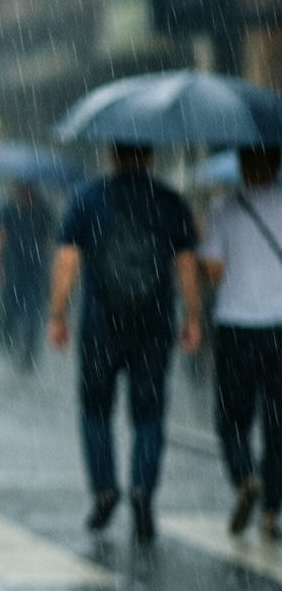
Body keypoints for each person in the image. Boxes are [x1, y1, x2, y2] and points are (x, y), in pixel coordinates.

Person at [48, 142, 202, 543]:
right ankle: (142, 489)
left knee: (96, 410)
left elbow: (67, 260)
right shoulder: (169, 201)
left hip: (101, 325)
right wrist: (192, 316)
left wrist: (57, 314)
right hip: (154, 325)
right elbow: (185, 264)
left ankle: (104, 488)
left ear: (111, 155)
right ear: (150, 156)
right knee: (148, 414)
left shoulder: (88, 198)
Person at [198, 145, 282, 540]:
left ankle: (245, 475)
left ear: (243, 166)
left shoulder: (223, 210)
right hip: (280, 327)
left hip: (236, 326)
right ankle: (270, 512)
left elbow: (212, 271)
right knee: (278, 421)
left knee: (232, 415)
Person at [0, 180, 56, 374]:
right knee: (9, 312)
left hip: (35, 271)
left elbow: (49, 239)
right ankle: (9, 346)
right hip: (11, 270)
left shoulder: (43, 210)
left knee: (32, 315)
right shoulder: (7, 209)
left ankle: (28, 355)